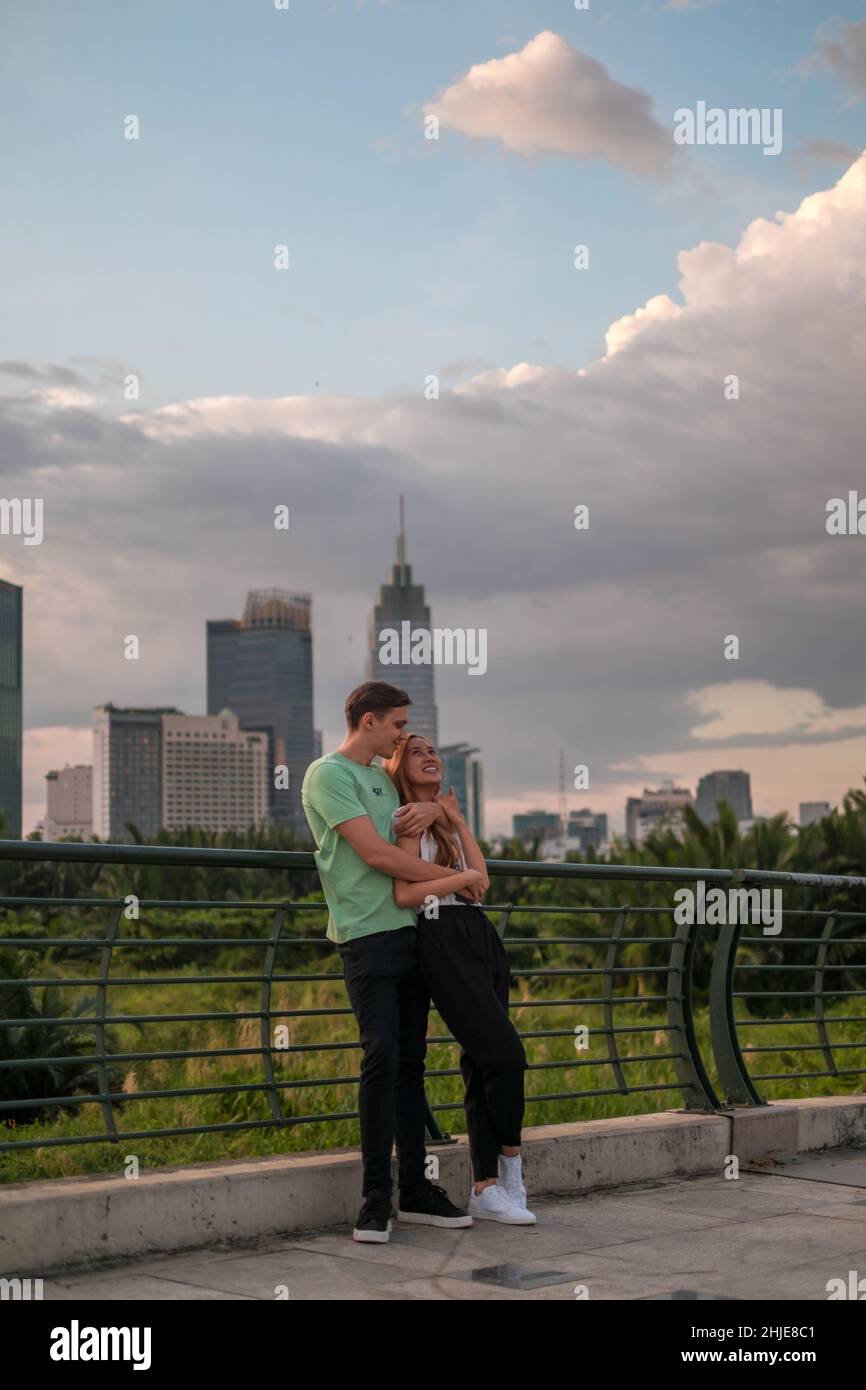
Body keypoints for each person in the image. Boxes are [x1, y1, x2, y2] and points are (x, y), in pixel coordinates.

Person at [300, 681, 486, 1243]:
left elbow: (416, 803)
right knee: (381, 1057)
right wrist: (462, 881)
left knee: (410, 1064)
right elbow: (378, 856)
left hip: (413, 937)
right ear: (370, 720)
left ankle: (417, 1189)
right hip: (366, 937)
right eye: (398, 725)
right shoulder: (328, 774)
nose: (404, 735)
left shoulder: (383, 777)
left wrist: (433, 808)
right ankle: (374, 1199)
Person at [384, 734, 536, 1225]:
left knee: (481, 1060)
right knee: (506, 1055)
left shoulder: (444, 823)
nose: (430, 756)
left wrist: (456, 820)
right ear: (399, 767)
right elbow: (407, 892)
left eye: (433, 750)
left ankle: (486, 1186)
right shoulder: (408, 819)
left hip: (479, 934)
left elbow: (483, 880)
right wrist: (460, 879)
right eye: (415, 751)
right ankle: (509, 1170)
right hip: (441, 932)